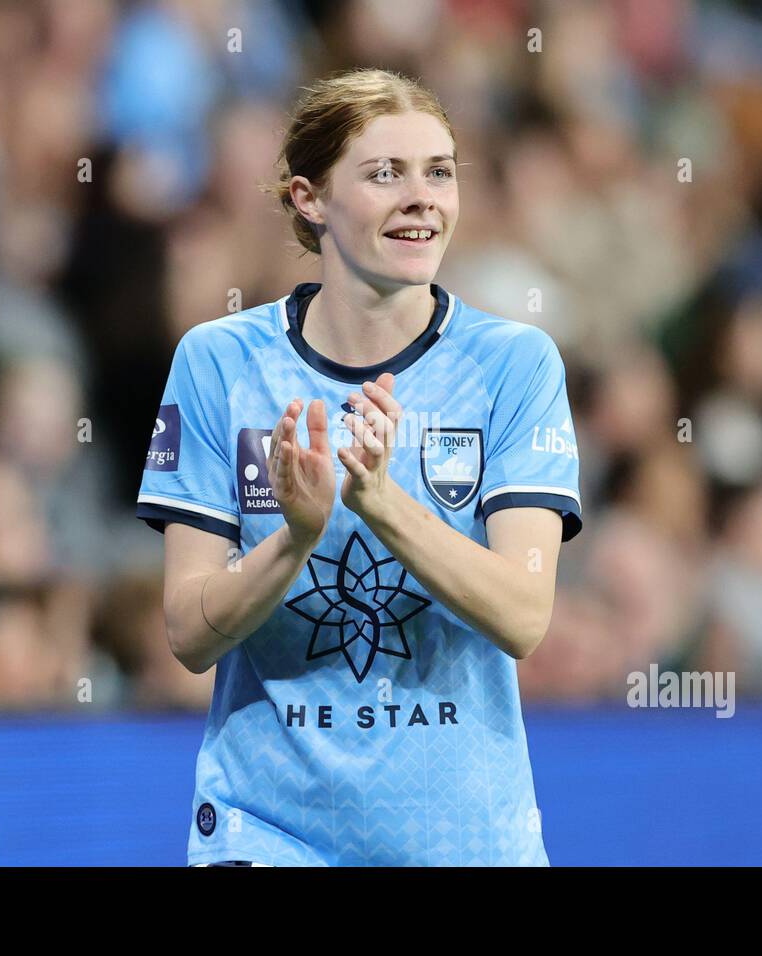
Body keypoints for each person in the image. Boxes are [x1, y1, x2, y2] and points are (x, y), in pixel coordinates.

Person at [138, 68, 583, 866]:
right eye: (385, 173)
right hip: (265, 833)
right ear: (309, 198)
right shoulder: (219, 363)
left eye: (439, 171)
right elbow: (187, 633)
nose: (423, 198)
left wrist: (381, 504)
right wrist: (294, 538)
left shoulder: (513, 365)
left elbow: (522, 615)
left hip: (465, 840)